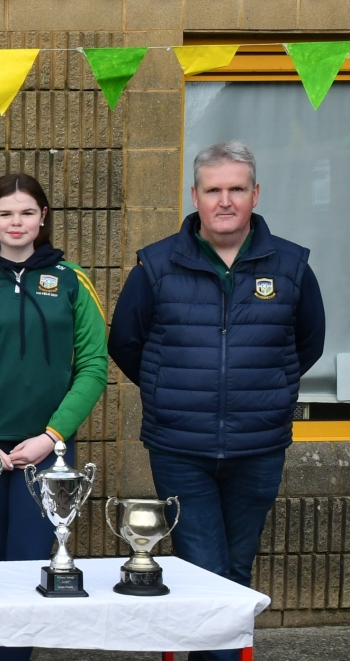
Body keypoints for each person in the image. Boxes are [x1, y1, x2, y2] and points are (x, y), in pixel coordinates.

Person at [109, 142, 324, 661]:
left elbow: (308, 344)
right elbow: (126, 344)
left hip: (259, 447)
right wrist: (170, 389)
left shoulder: (292, 266)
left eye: (235, 189)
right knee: (207, 577)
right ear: (195, 196)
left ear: (255, 194)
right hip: (181, 449)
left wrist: (267, 394)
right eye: (213, 190)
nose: (224, 200)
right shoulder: (155, 266)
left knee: (236, 571)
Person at [0, 173, 107, 661]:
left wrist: (52, 436)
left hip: (48, 453)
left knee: (34, 564)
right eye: (5, 213)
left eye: (26, 212)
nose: (16, 222)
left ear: (43, 218)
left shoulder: (74, 282)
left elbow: (94, 366)